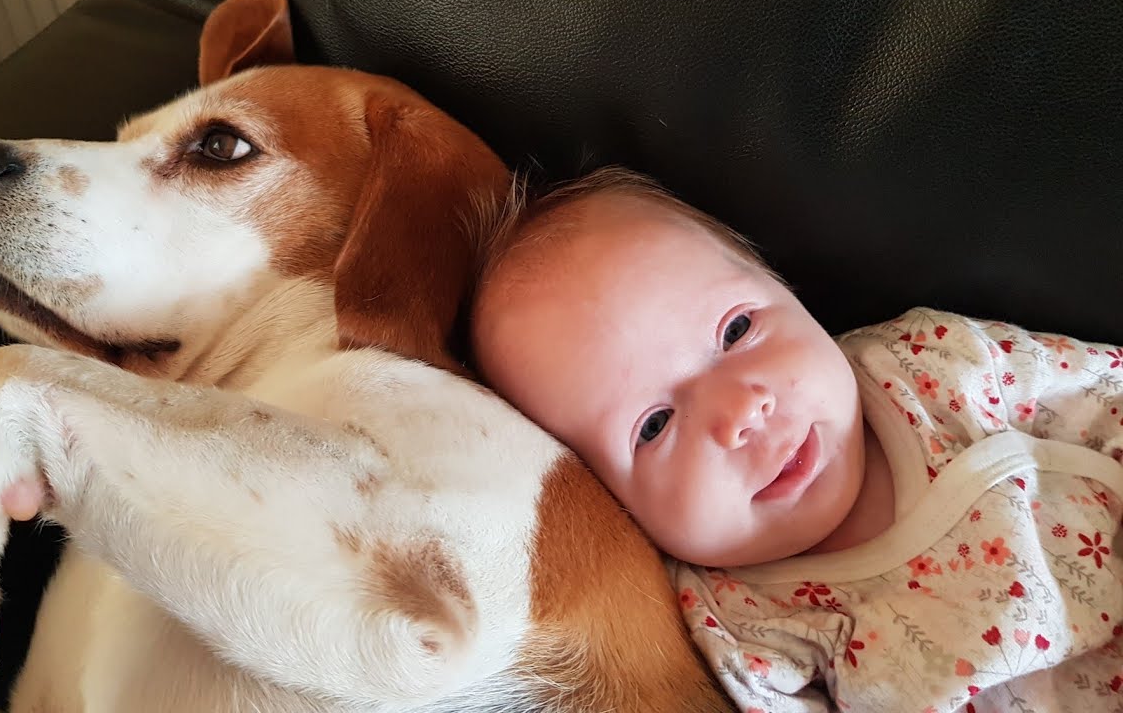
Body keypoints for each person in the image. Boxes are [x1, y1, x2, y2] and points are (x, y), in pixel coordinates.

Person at [471, 166, 1123, 712]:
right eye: (654, 425)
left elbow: (1106, 394)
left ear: (783, 285)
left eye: (735, 331)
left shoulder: (932, 367)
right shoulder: (739, 622)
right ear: (613, 509)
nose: (741, 412)